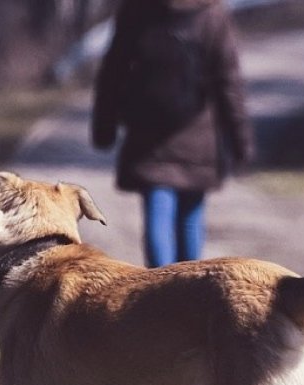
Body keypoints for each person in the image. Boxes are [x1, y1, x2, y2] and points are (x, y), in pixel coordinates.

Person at [91, 0, 253, 268]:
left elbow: (113, 73)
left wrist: (103, 126)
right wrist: (240, 141)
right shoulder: (211, 13)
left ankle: (159, 295)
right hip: (198, 135)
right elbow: (229, 83)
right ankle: (189, 297)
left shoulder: (137, 10)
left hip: (147, 134)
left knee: (158, 215)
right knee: (190, 217)